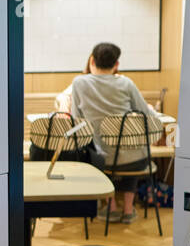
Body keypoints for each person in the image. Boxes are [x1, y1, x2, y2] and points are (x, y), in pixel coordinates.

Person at [68, 42, 163, 224]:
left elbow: (76, 120)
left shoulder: (79, 83)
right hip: (135, 161)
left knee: (100, 153)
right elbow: (147, 116)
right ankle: (128, 209)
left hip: (100, 161)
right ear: (117, 64)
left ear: (92, 61)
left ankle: (110, 207)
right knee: (132, 149)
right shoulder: (126, 84)